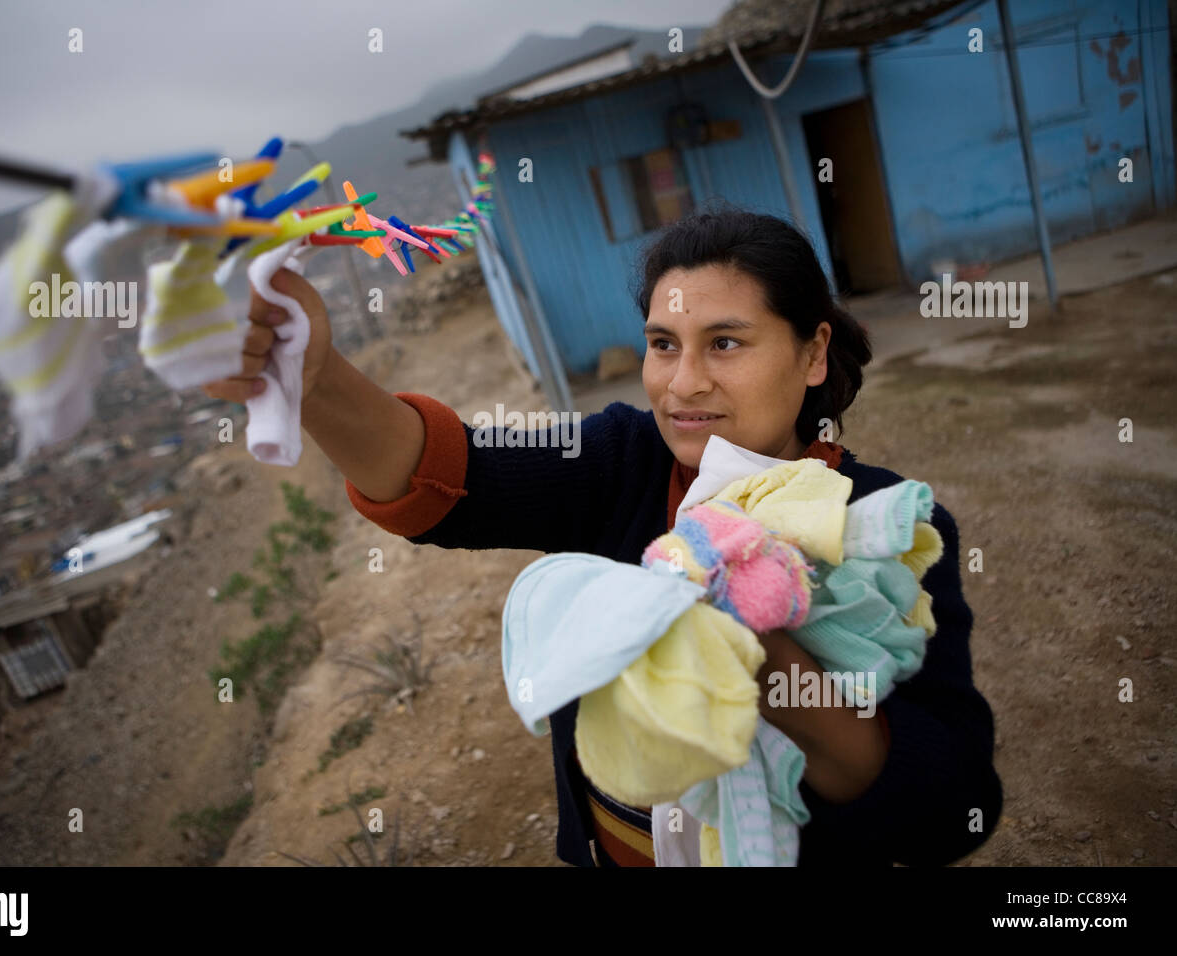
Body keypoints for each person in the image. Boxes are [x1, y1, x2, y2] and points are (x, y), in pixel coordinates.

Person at [204, 206, 1003, 867]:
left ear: (814, 351)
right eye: (663, 345)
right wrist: (314, 375)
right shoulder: (620, 461)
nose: (683, 384)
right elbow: (442, 479)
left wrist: (755, 653)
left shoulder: (889, 529)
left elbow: (953, 806)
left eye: (725, 343)